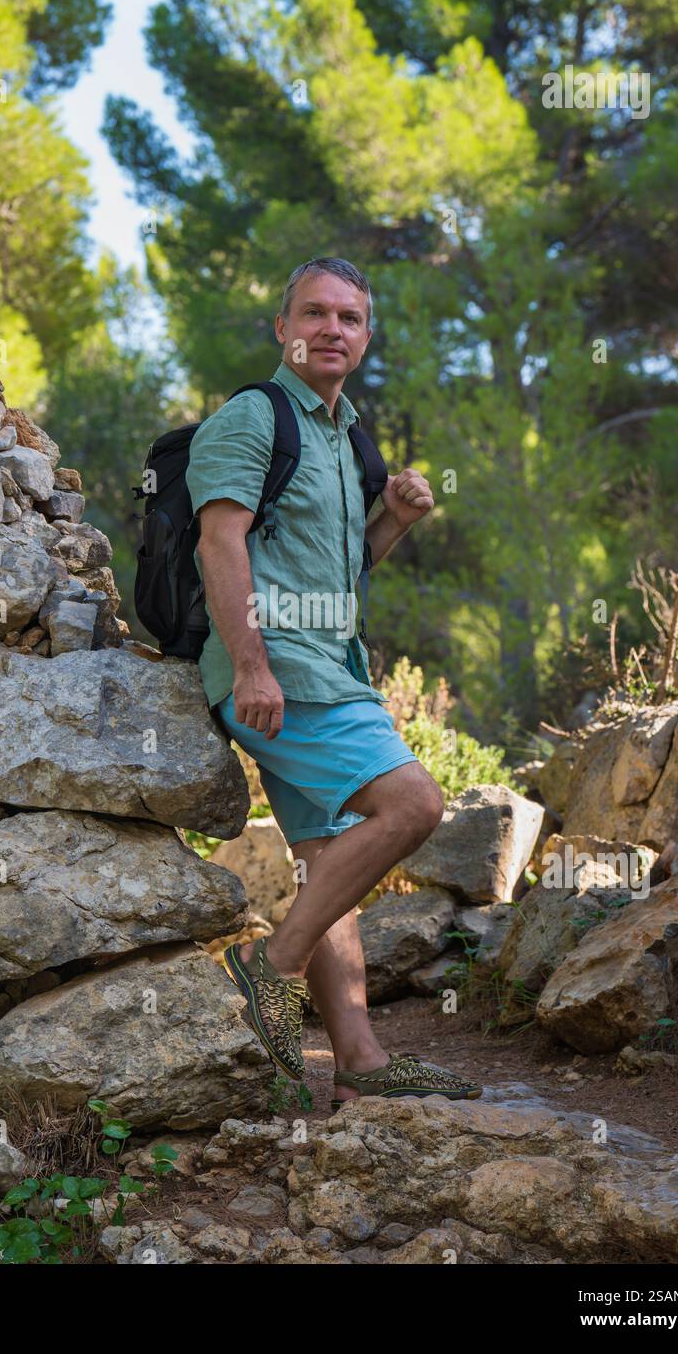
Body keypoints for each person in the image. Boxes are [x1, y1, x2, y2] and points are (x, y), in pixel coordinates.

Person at [185, 256, 481, 1109]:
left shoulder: (346, 434)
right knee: (415, 804)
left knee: (326, 860)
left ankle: (359, 1062)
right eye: (313, 313)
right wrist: (251, 666)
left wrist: (395, 519)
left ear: (364, 337)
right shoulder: (253, 418)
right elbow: (220, 544)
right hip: (281, 667)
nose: (331, 330)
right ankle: (266, 965)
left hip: (329, 663)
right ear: (283, 329)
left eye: (349, 319)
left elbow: (343, 574)